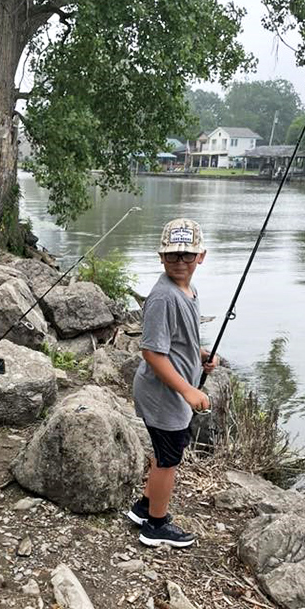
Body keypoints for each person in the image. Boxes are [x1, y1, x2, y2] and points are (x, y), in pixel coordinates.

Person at [128, 217, 219, 548]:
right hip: (163, 395)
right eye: (172, 256)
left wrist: (201, 354)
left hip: (173, 391)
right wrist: (188, 389)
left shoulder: (189, 290)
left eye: (187, 255)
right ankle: (156, 524)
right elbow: (152, 352)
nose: (180, 262)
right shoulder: (164, 297)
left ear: (201, 257)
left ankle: (143, 507)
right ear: (160, 257)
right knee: (168, 460)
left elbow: (179, 339)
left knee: (162, 452)